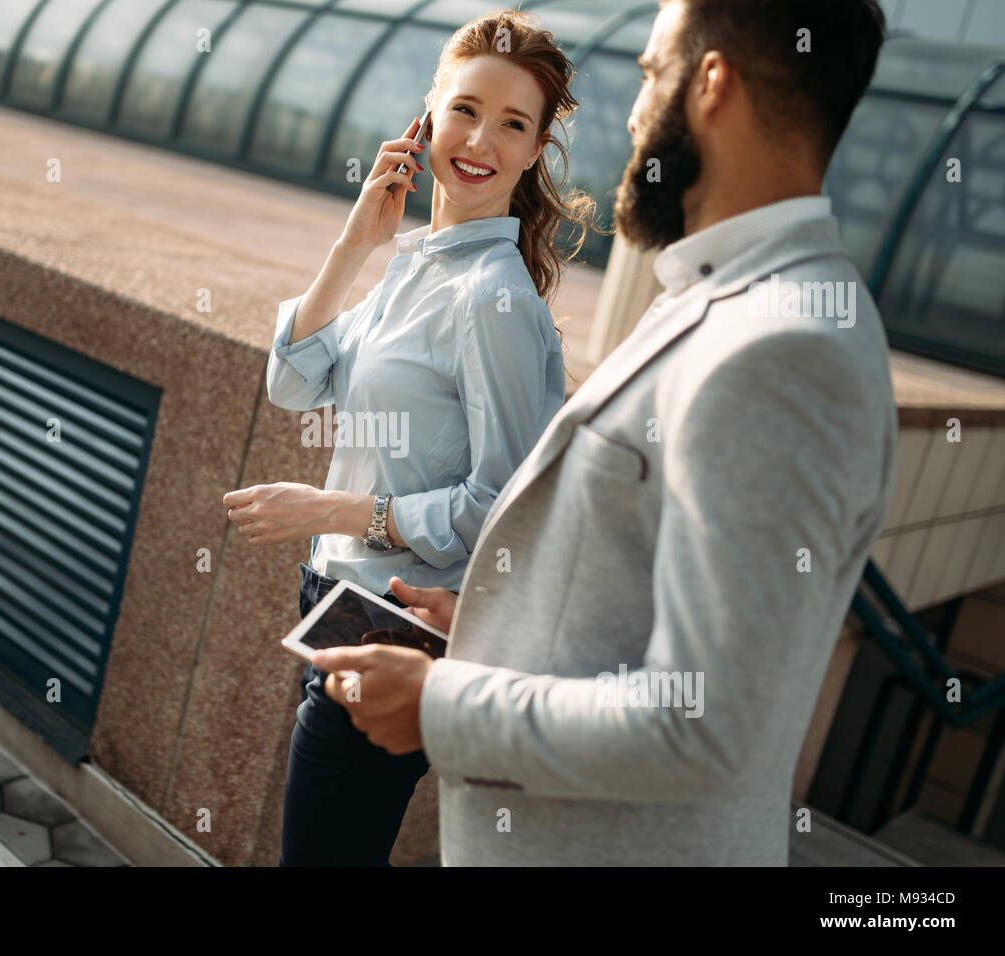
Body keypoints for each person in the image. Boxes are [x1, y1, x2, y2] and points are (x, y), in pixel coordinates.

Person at [309, 0, 897, 865]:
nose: (631, 110)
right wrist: (489, 625)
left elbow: (705, 720)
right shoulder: (723, 298)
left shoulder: (786, 351)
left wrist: (439, 703)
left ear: (711, 84)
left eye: (653, 72)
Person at [223, 11, 596, 865]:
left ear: (536, 150)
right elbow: (292, 381)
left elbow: (500, 507)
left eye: (513, 124)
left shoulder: (494, 300)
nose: (481, 140)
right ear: (425, 118)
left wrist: (333, 508)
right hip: (339, 610)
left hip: (400, 629)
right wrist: (356, 241)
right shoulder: (415, 266)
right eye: (465, 110)